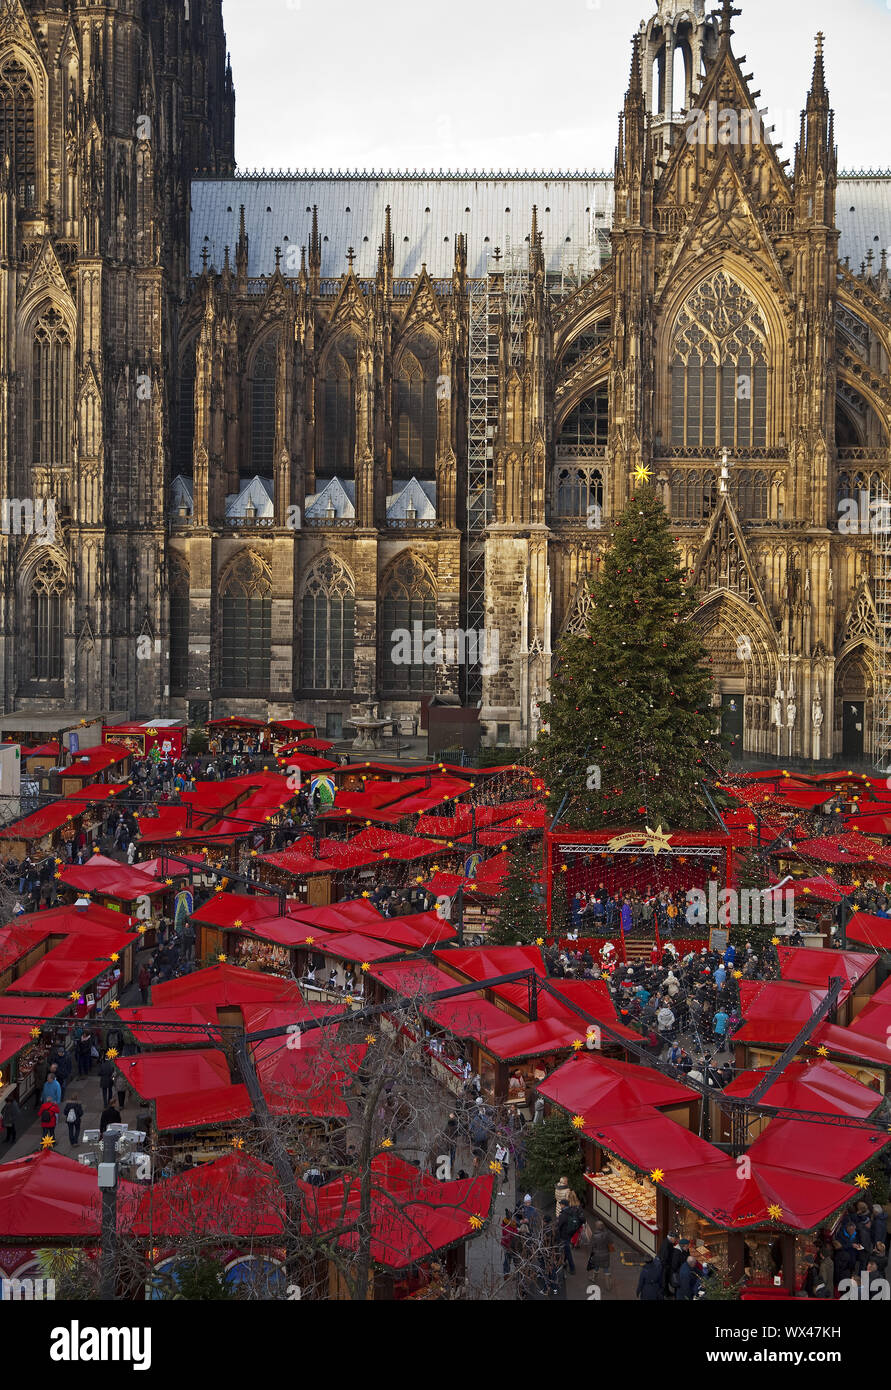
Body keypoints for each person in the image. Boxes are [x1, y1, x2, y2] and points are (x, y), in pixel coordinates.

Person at [556, 1199, 582, 1275]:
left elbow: (559, 1225)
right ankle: (564, 1264)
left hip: (564, 1235)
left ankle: (572, 1268)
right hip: (570, 1233)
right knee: (566, 1249)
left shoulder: (563, 1214)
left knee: (567, 1251)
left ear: (564, 1205)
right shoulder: (572, 1211)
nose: (560, 1205)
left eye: (561, 1204)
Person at [500, 1208, 518, 1277]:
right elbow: (508, 1235)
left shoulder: (512, 1223)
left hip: (512, 1244)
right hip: (507, 1244)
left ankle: (514, 1273)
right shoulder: (505, 1225)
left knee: (512, 1259)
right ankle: (506, 1273)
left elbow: (515, 1231)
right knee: (507, 1259)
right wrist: (509, 1246)